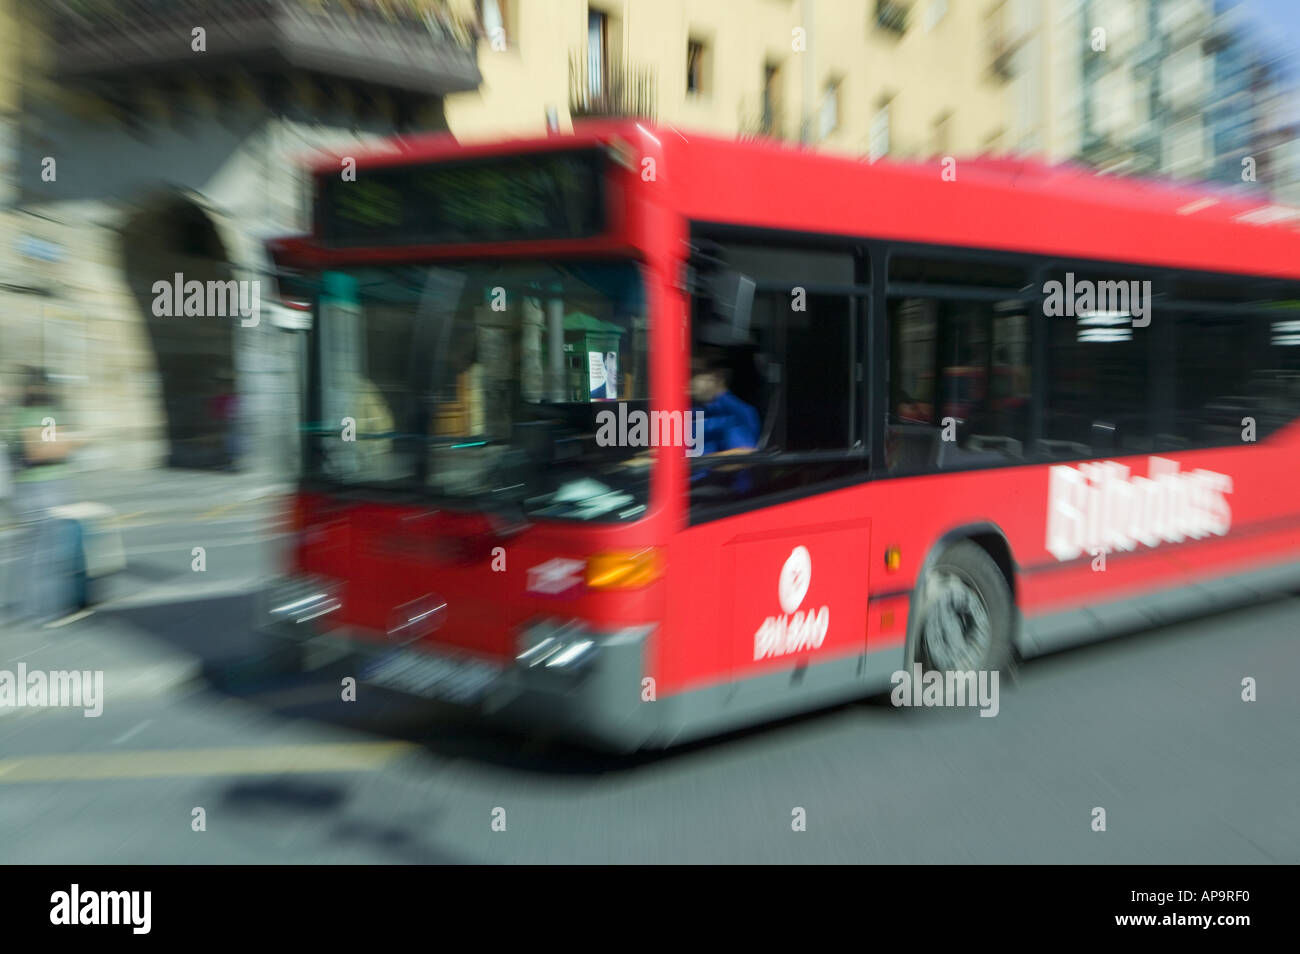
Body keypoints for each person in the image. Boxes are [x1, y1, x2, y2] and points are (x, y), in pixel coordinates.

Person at [4, 368, 84, 625]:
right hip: (44, 488)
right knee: (48, 550)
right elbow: (41, 451)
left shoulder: (21, 413)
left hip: (27, 489)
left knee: (32, 550)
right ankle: (46, 610)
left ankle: (26, 608)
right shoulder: (41, 414)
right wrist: (76, 441)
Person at [690, 349, 759, 456]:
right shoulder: (695, 410)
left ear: (716, 377)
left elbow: (744, 455)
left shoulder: (735, 414)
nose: (689, 381)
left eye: (695, 374)